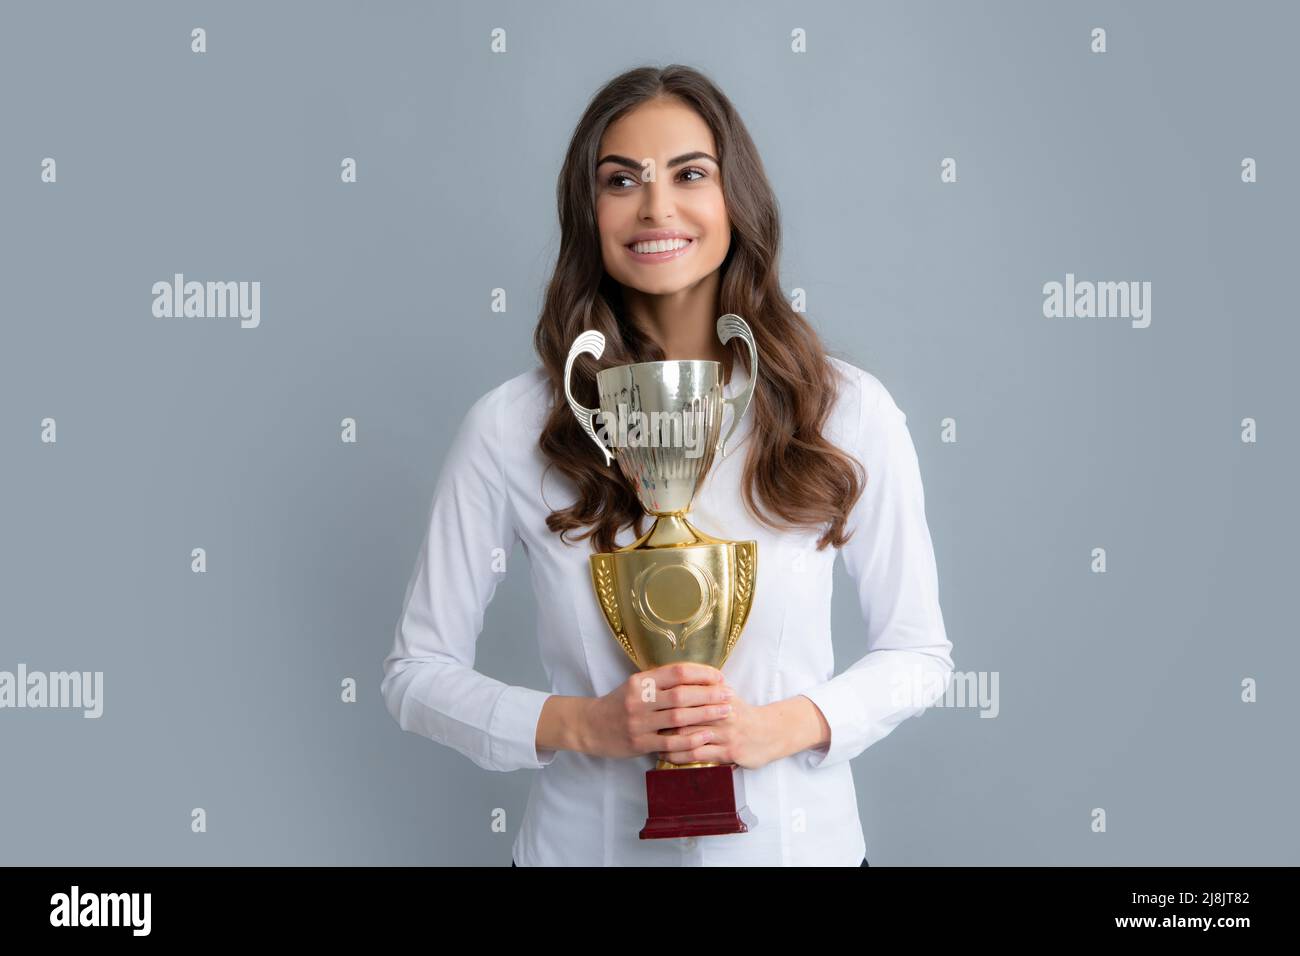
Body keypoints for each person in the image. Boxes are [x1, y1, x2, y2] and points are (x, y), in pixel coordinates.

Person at [381, 64, 953, 866]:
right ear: (590, 211)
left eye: (690, 173)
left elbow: (918, 655)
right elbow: (417, 675)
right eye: (622, 180)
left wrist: (775, 728)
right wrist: (585, 724)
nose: (657, 206)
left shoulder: (844, 410)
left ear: (736, 201)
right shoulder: (511, 427)